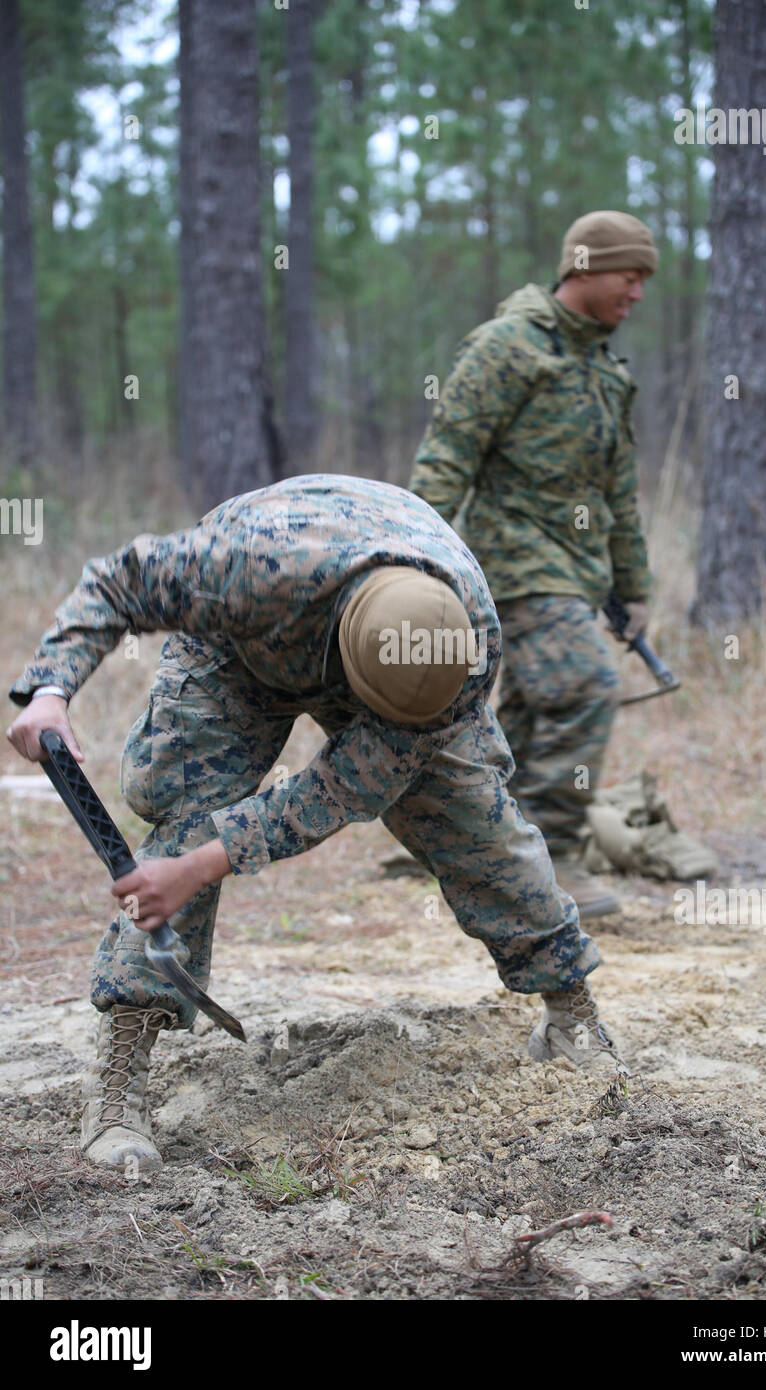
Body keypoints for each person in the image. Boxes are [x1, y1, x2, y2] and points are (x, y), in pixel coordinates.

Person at [7, 474, 622, 1174]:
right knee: (185, 815)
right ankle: (122, 1069)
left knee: (474, 819)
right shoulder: (245, 569)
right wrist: (51, 690)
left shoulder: (462, 648)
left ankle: (571, 1010)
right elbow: (117, 581)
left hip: (393, 667)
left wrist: (204, 865)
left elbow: (337, 789)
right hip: (238, 650)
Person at [410, 211, 657, 918]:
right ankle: (552, 858)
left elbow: (620, 494)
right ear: (584, 267)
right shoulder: (506, 348)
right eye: (629, 275)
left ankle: (473, 849)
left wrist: (634, 586)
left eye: (645, 279)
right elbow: (448, 456)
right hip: (512, 561)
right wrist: (412, 560)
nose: (638, 292)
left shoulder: (606, 371)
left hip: (577, 573)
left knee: (513, 723)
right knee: (586, 685)